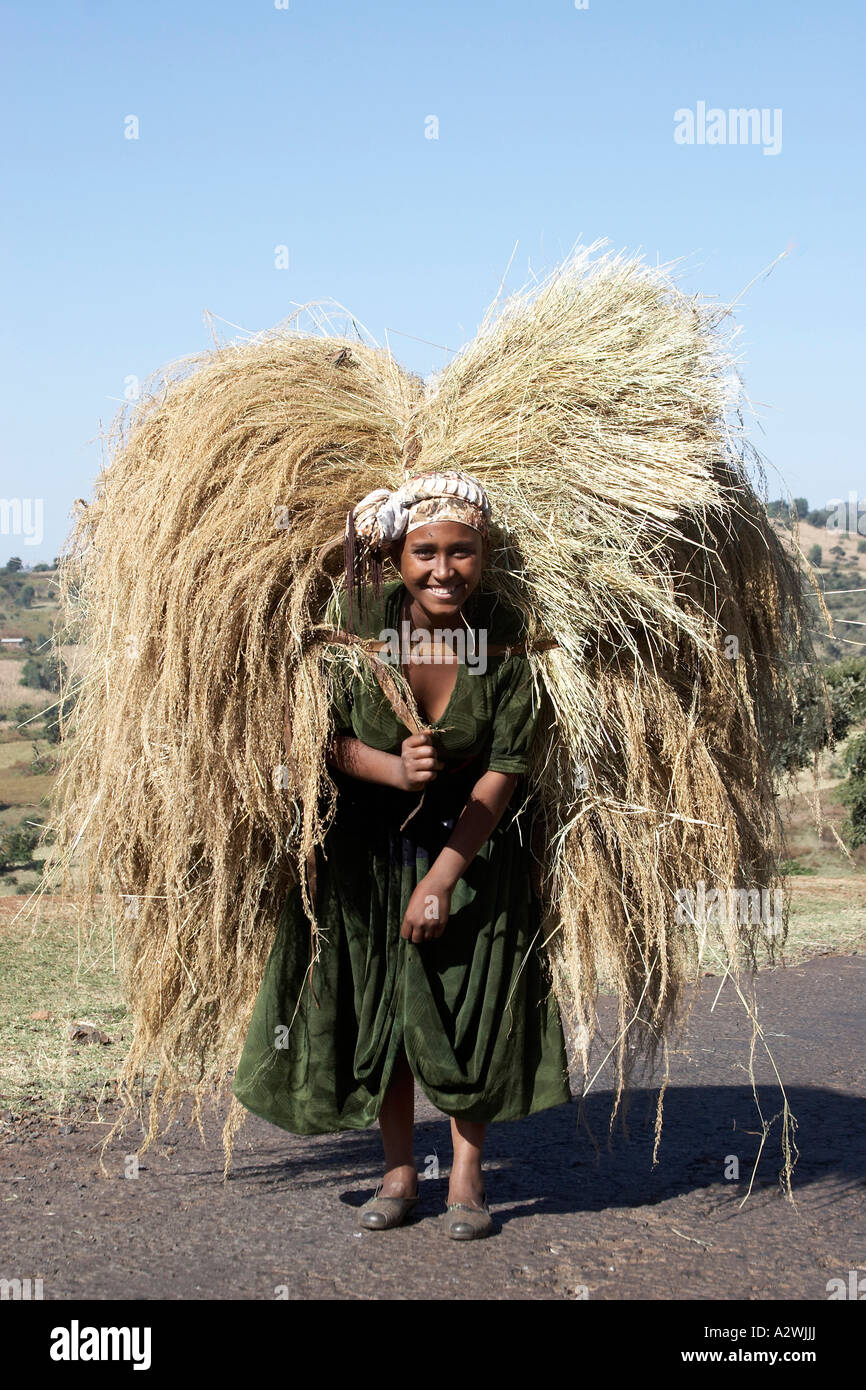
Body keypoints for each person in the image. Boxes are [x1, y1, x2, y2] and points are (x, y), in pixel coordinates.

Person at [231, 471, 572, 1238]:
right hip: (368, 851)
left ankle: (466, 1177)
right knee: (381, 1009)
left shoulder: (506, 633)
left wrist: (445, 877)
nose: (444, 569)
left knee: (467, 1009)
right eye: (426, 552)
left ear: (485, 555)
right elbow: (306, 737)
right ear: (394, 553)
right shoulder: (353, 623)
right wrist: (387, 767)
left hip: (475, 850)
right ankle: (395, 1172)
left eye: (463, 552)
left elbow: (507, 766)